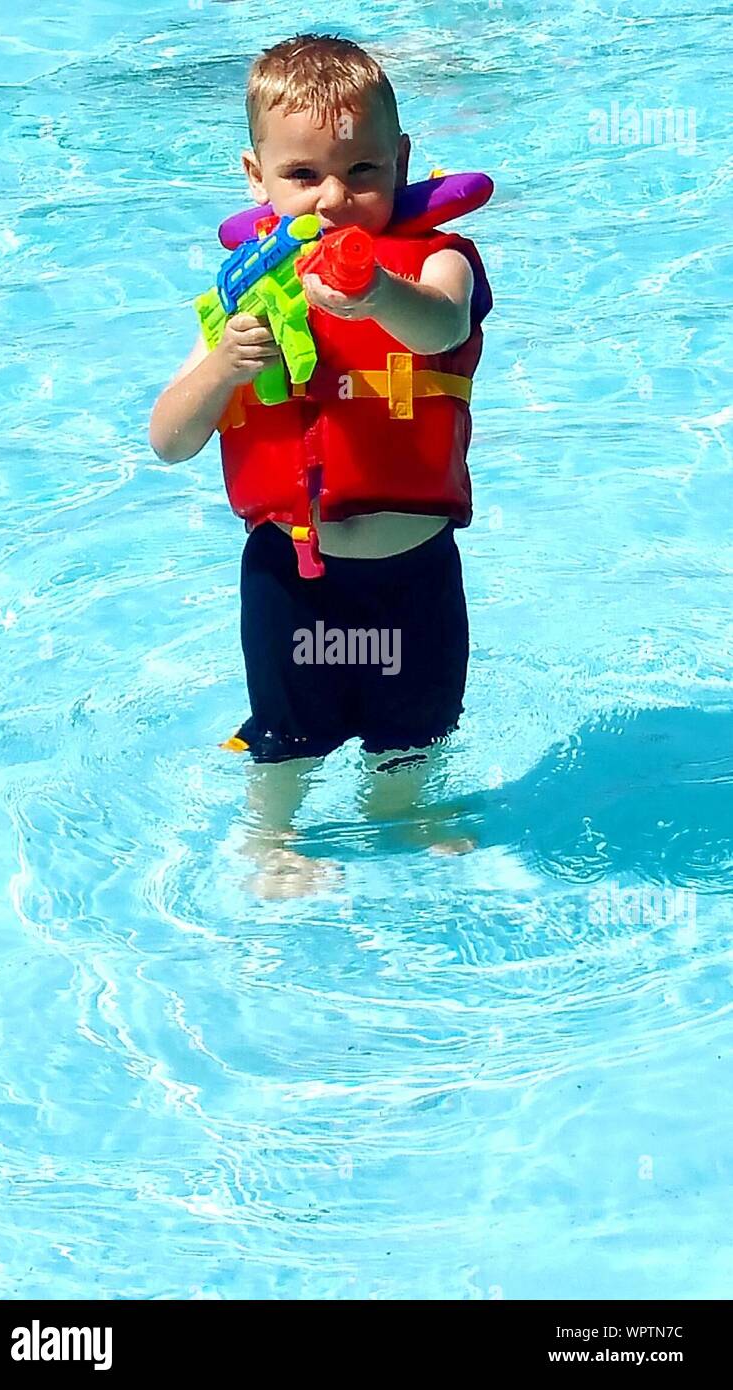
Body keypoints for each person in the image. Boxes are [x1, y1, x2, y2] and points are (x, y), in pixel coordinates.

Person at [149, 33, 491, 896]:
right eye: (304, 175)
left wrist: (377, 292)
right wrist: (225, 364)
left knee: (416, 726)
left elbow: (443, 329)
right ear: (256, 177)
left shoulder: (436, 263)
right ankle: (270, 839)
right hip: (294, 573)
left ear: (404, 161)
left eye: (364, 171)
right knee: (288, 732)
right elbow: (169, 441)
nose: (336, 198)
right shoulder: (244, 298)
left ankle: (403, 813)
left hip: (415, 570)